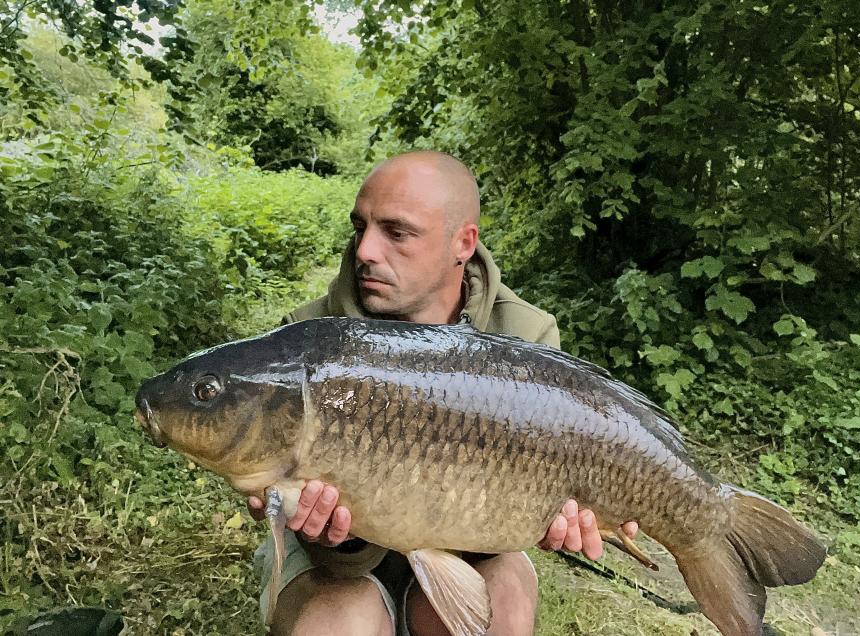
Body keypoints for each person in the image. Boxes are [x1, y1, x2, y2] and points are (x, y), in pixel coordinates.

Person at [248, 151, 638, 635]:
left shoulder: (522, 335)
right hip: (338, 564)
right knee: (341, 623)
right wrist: (337, 537)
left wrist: (554, 519)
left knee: (502, 612)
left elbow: (506, 529)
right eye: (361, 226)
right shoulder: (305, 341)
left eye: (396, 232)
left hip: (468, 544)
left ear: (463, 243)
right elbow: (329, 553)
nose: (366, 249)